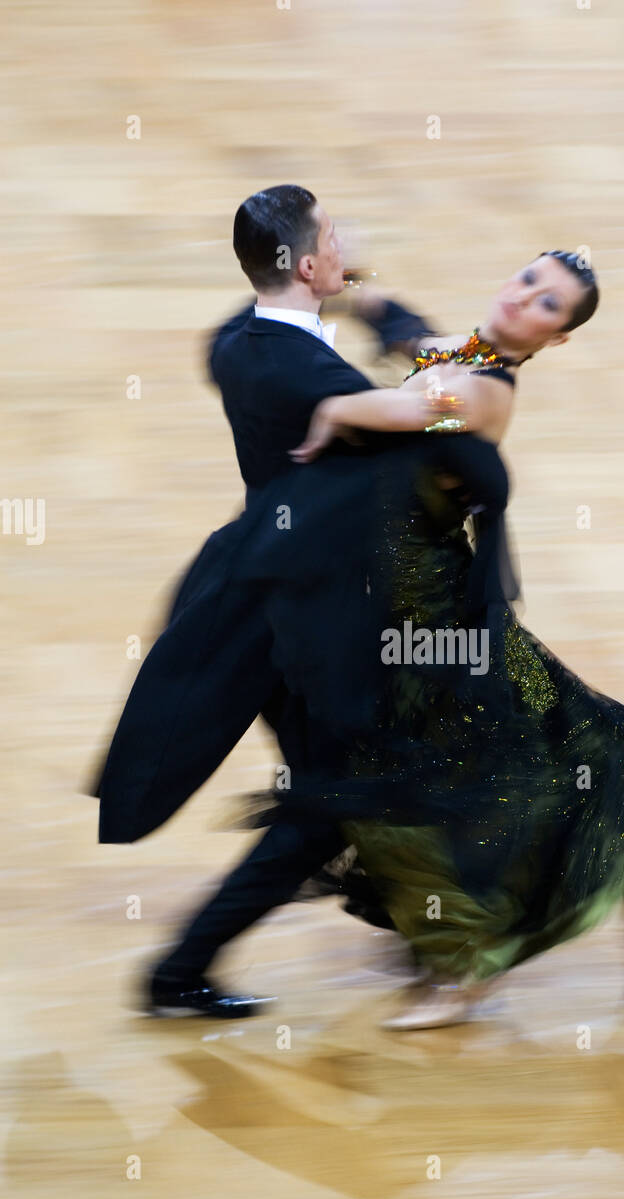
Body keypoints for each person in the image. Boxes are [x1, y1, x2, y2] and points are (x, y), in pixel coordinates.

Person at [243, 249, 624, 1029]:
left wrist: (333, 410)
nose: (527, 303)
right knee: (548, 740)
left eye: (549, 307)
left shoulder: (481, 392)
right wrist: (355, 294)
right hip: (409, 610)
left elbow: (419, 408)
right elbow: (415, 341)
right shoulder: (465, 357)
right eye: (527, 283)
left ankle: (466, 971)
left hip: (437, 627)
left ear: (557, 340)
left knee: (452, 781)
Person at [95, 184, 462, 1019]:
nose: (347, 241)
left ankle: (424, 931)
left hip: (263, 582)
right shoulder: (302, 377)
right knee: (334, 799)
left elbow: (295, 310)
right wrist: (467, 360)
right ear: (302, 263)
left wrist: (354, 286)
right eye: (334, 237)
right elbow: (438, 411)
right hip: (302, 614)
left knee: (351, 782)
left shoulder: (241, 336)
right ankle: (180, 970)